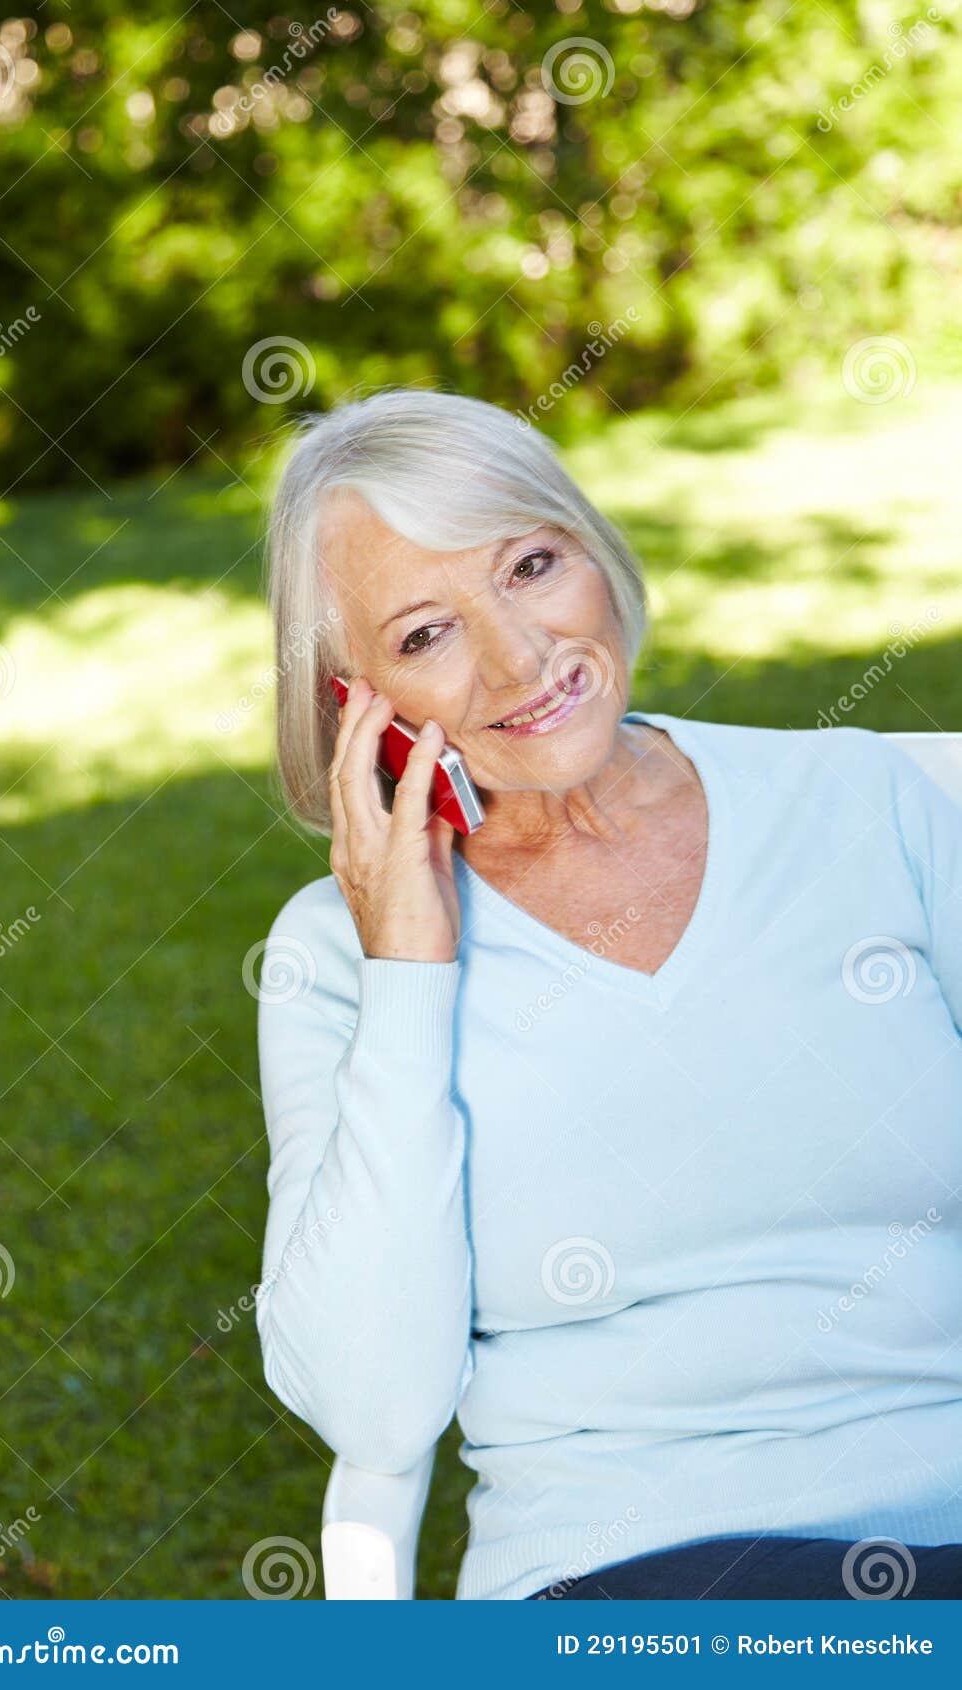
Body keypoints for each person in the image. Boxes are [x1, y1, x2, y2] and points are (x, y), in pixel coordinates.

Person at [253, 387, 962, 1600]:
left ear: (594, 550)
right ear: (350, 701)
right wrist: (407, 970)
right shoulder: (334, 957)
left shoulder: (868, 803)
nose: (518, 658)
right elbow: (371, 1405)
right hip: (622, 1583)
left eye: (529, 566)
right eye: (425, 634)